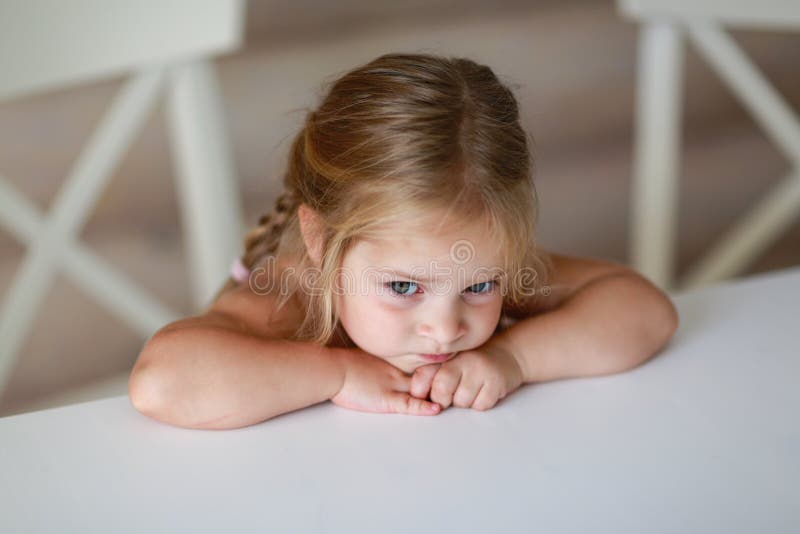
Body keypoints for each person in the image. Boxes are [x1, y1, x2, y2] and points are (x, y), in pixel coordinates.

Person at [128, 53, 678, 430]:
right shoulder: (292, 299)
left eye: (481, 285)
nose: (446, 329)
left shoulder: (463, 268)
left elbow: (646, 313)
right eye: (402, 287)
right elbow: (162, 383)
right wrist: (338, 374)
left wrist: (514, 357)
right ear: (321, 243)